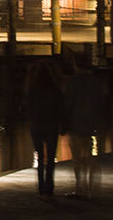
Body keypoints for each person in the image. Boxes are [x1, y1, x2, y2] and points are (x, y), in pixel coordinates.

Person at [63, 58, 107, 200]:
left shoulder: (73, 82)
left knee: (77, 159)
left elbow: (68, 103)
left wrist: (65, 123)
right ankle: (92, 188)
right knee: (91, 157)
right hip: (92, 124)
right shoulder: (96, 82)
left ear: (76, 66)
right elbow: (102, 103)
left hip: (76, 124)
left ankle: (79, 188)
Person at [26, 59, 64, 199]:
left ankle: (41, 186)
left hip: (37, 125)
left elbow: (28, 108)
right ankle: (50, 186)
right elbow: (60, 108)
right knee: (51, 156)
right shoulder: (54, 89)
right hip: (51, 125)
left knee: (40, 156)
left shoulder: (33, 89)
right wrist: (62, 124)